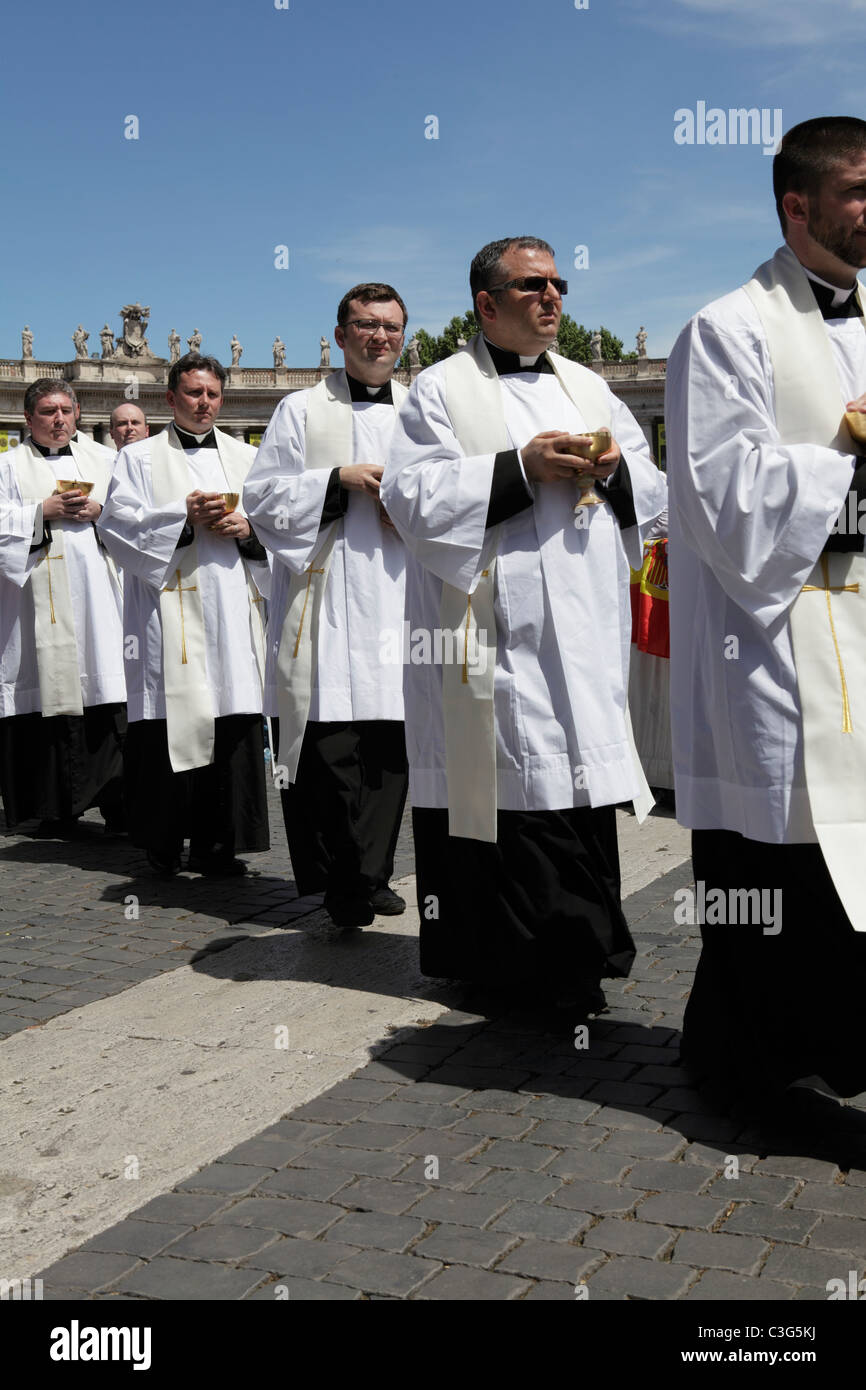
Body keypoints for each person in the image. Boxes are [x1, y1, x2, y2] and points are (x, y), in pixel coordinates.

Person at [382, 237, 667, 1007]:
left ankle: (580, 956)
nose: (552, 298)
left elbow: (654, 485)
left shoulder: (588, 385)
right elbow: (412, 497)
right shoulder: (439, 389)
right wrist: (518, 467)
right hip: (490, 630)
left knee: (574, 791)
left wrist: (613, 470)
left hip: (579, 620)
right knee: (508, 790)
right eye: (533, 285)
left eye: (558, 284)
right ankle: (510, 966)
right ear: (486, 303)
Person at [667, 116, 866, 1101]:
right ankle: (749, 1066)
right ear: (798, 205)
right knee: (779, 871)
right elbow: (717, 496)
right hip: (777, 653)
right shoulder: (725, 329)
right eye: (859, 190)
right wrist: (844, 470)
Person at [244, 283, 410, 927]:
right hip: (323, 596)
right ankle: (343, 878)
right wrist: (334, 482)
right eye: (366, 325)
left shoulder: (424, 410)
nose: (379, 337)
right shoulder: (299, 410)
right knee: (330, 748)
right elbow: (261, 498)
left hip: (399, 597)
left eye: (391, 327)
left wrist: (414, 509)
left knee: (390, 748)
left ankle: (372, 872)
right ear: (340, 336)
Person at [99, 353, 270, 876]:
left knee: (231, 718)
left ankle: (220, 845)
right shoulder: (138, 458)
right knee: (165, 722)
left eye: (213, 394)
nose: (205, 403)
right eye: (194, 394)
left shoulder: (248, 457)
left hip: (230, 611)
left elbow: (278, 526)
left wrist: (250, 533)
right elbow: (117, 529)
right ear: (171, 398)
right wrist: (185, 521)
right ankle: (164, 842)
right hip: (164, 614)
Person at [0, 379, 126, 835]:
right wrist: (39, 512)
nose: (58, 419)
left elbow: (136, 522)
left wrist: (100, 513)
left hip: (97, 604)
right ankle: (51, 810)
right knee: (43, 695)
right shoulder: (8, 466)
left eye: (65, 411)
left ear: (77, 414)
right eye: (48, 411)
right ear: (28, 418)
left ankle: (119, 806)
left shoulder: (108, 460)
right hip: (31, 605)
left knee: (104, 693)